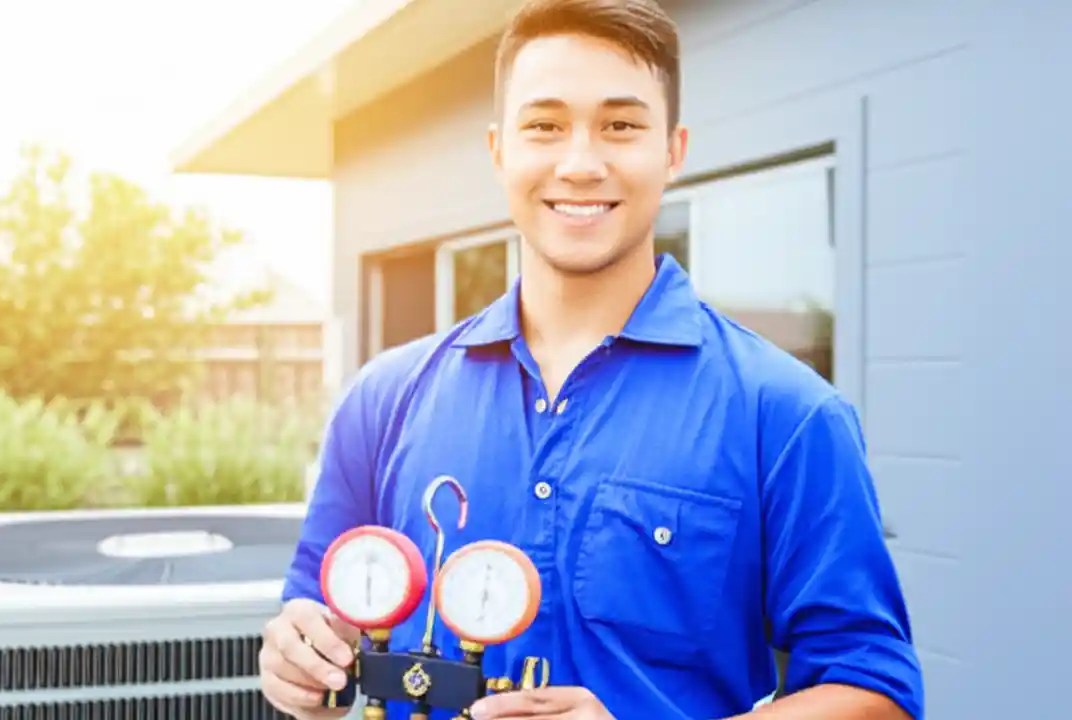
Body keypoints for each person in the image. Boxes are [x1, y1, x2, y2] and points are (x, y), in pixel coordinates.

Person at [258, 0, 924, 717]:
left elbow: (875, 692)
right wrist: (296, 661)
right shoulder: (385, 400)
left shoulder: (786, 413)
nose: (580, 163)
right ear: (498, 150)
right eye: (544, 126)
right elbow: (314, 623)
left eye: (621, 126)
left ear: (673, 150)